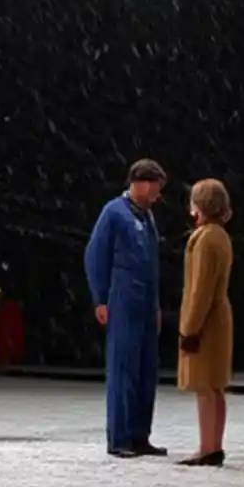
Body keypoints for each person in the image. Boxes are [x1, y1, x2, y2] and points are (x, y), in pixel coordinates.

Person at [84, 158, 168, 458]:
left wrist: (156, 305)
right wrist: (100, 298)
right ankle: (119, 438)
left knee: (146, 371)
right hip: (122, 301)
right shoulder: (113, 213)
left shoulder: (147, 217)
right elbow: (95, 255)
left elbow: (153, 266)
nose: (158, 196)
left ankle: (139, 435)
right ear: (141, 183)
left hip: (146, 304)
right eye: (156, 189)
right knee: (123, 370)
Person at [176, 178, 235, 467]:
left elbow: (200, 290)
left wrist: (189, 328)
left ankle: (207, 448)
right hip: (219, 317)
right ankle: (214, 445)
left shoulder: (204, 239)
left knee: (205, 386)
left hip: (207, 321)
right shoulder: (220, 236)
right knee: (215, 386)